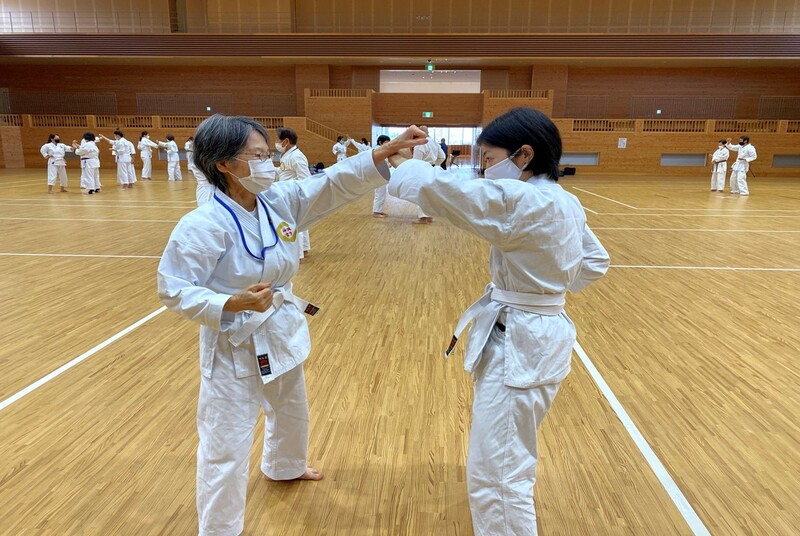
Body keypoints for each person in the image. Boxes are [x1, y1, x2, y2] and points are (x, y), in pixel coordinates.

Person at [157, 114, 425, 536]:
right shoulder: (202, 225)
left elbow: (331, 184)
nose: (268, 163)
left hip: (279, 326)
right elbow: (172, 288)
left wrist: (381, 153)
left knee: (290, 407)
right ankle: (219, 528)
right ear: (223, 165)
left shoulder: (277, 202)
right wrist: (228, 301)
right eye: (257, 156)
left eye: (268, 154)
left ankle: (284, 466)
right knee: (225, 443)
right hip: (235, 340)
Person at [385, 108, 609, 536]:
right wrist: (547, 286)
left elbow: (444, 190)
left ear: (524, 155)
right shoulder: (562, 199)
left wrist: (399, 159)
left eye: (488, 158)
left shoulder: (522, 201)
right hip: (542, 331)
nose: (483, 168)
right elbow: (595, 261)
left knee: (499, 473)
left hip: (522, 344)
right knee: (510, 454)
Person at [275, 127, 312, 261]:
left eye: (278, 140)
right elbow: (285, 171)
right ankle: (304, 249)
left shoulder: (297, 156)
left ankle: (298, 254)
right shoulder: (288, 154)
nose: (276, 143)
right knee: (300, 223)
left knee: (295, 224)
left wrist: (299, 194)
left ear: (286, 141)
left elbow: (305, 178)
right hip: (286, 192)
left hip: (294, 194)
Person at [410, 126, 446, 224]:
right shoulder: (434, 142)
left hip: (422, 169)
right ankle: (429, 215)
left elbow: (416, 161)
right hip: (432, 168)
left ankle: (423, 218)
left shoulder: (420, 144)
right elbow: (442, 156)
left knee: (420, 192)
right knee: (430, 192)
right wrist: (436, 164)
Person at [371, 135, 391, 218]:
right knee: (379, 192)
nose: (388, 144)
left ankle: (379, 210)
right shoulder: (377, 150)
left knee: (382, 192)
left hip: (382, 173)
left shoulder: (383, 150)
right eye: (386, 142)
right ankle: (376, 211)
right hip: (378, 174)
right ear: (380, 142)